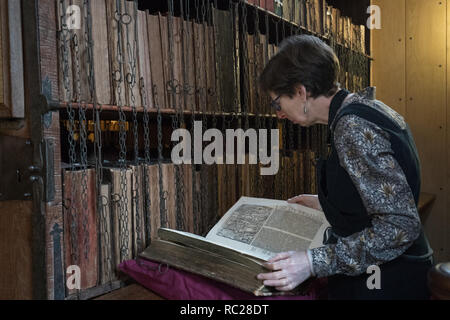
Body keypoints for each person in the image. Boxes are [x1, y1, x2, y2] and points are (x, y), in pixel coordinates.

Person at [256, 34, 433, 300]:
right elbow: (384, 189)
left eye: (276, 103)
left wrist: (311, 262)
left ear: (301, 91)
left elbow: (399, 226)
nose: (278, 114)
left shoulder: (351, 126)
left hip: (386, 283)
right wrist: (328, 203)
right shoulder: (361, 108)